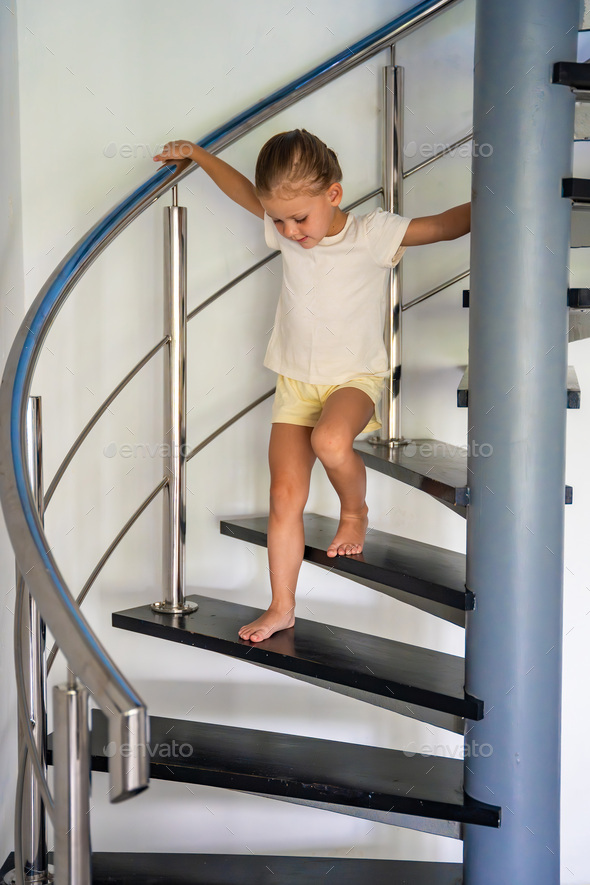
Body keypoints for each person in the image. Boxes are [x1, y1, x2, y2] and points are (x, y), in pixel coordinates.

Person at [154, 130, 470, 643]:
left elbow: (440, 227)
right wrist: (198, 155)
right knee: (282, 495)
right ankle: (281, 606)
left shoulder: (372, 232)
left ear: (334, 195)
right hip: (295, 383)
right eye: (278, 220)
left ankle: (354, 511)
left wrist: (503, 194)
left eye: (299, 218)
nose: (289, 230)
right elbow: (242, 190)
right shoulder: (283, 226)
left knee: (330, 441)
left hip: (354, 378)